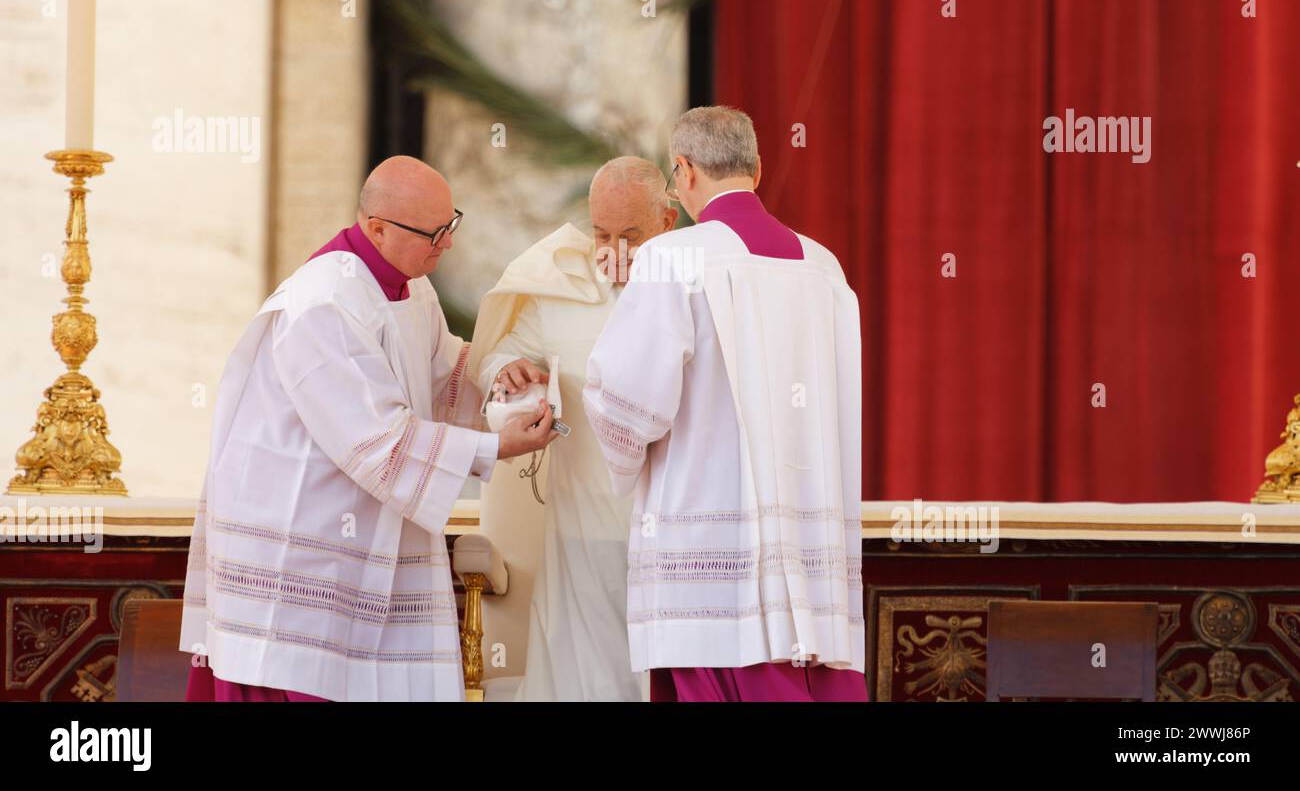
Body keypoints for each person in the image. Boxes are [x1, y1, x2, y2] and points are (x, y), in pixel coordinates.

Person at [179, 155, 556, 701]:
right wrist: (495, 446)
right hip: (300, 542)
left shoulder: (408, 287)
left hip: (352, 529)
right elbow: (375, 439)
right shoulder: (324, 302)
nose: (446, 244)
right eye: (434, 232)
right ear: (377, 228)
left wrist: (500, 377)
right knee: (301, 675)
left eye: (451, 224)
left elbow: (442, 369)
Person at [583, 107, 867, 702]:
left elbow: (628, 404)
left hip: (707, 551)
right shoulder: (824, 268)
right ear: (757, 170)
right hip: (809, 553)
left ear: (682, 172)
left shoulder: (673, 258)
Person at [468, 156, 677, 701]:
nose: (611, 251)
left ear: (667, 222)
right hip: (581, 523)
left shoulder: (697, 288)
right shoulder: (560, 282)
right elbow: (501, 356)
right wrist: (504, 372)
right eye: (600, 232)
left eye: (630, 236)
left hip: (674, 531)